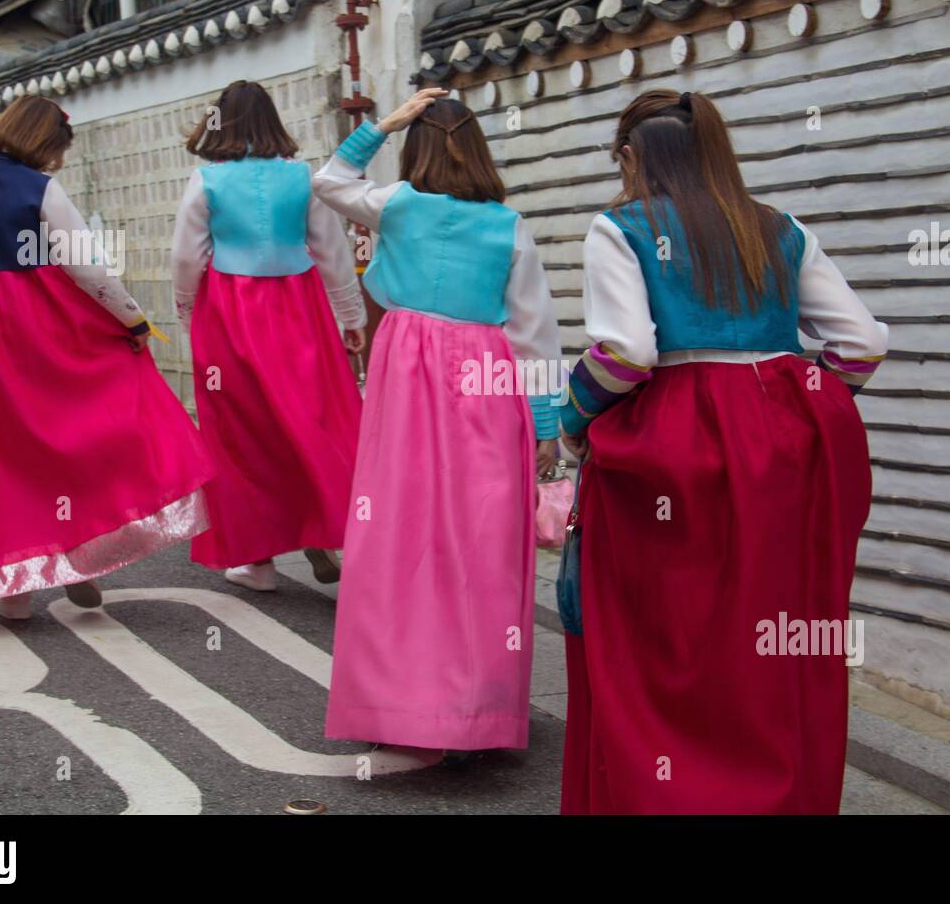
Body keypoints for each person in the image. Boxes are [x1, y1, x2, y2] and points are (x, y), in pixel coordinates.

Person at [558, 89, 889, 813]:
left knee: (662, 646)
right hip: (783, 458)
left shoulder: (621, 228)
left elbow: (625, 353)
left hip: (668, 453)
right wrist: (801, 403)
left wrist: (572, 415)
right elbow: (862, 344)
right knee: (771, 646)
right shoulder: (779, 228)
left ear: (629, 157)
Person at [313, 89, 561, 753]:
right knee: (481, 540)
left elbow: (329, 181)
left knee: (395, 534)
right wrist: (546, 427)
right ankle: (471, 708)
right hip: (487, 377)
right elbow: (537, 335)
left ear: (416, 149)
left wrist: (381, 125)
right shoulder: (510, 227)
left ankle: (397, 701)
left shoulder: (396, 204)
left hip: (405, 384)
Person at [0, 95, 215, 619]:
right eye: (60, 150)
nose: (62, 162)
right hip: (37, 328)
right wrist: (132, 319)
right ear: (44, 144)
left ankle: (12, 589)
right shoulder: (41, 188)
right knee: (65, 436)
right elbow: (87, 268)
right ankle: (80, 558)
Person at [171, 80, 366, 591]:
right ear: (273, 122)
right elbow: (331, 252)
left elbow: (187, 258)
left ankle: (257, 560)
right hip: (300, 308)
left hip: (228, 312)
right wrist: (351, 317)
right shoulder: (302, 178)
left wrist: (187, 313)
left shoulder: (206, 181)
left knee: (241, 432)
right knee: (315, 417)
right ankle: (335, 526)